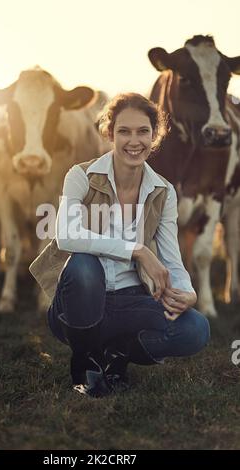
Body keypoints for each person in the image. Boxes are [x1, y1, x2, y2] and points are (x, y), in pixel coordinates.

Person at [29, 92, 211, 399]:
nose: (134, 141)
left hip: (130, 302)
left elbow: (171, 258)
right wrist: (137, 250)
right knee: (85, 265)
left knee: (196, 329)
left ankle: (116, 355)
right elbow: (67, 235)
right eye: (124, 131)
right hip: (78, 304)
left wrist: (187, 292)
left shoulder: (163, 191)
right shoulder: (81, 175)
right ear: (110, 133)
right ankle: (86, 366)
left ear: (155, 135)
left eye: (143, 131)